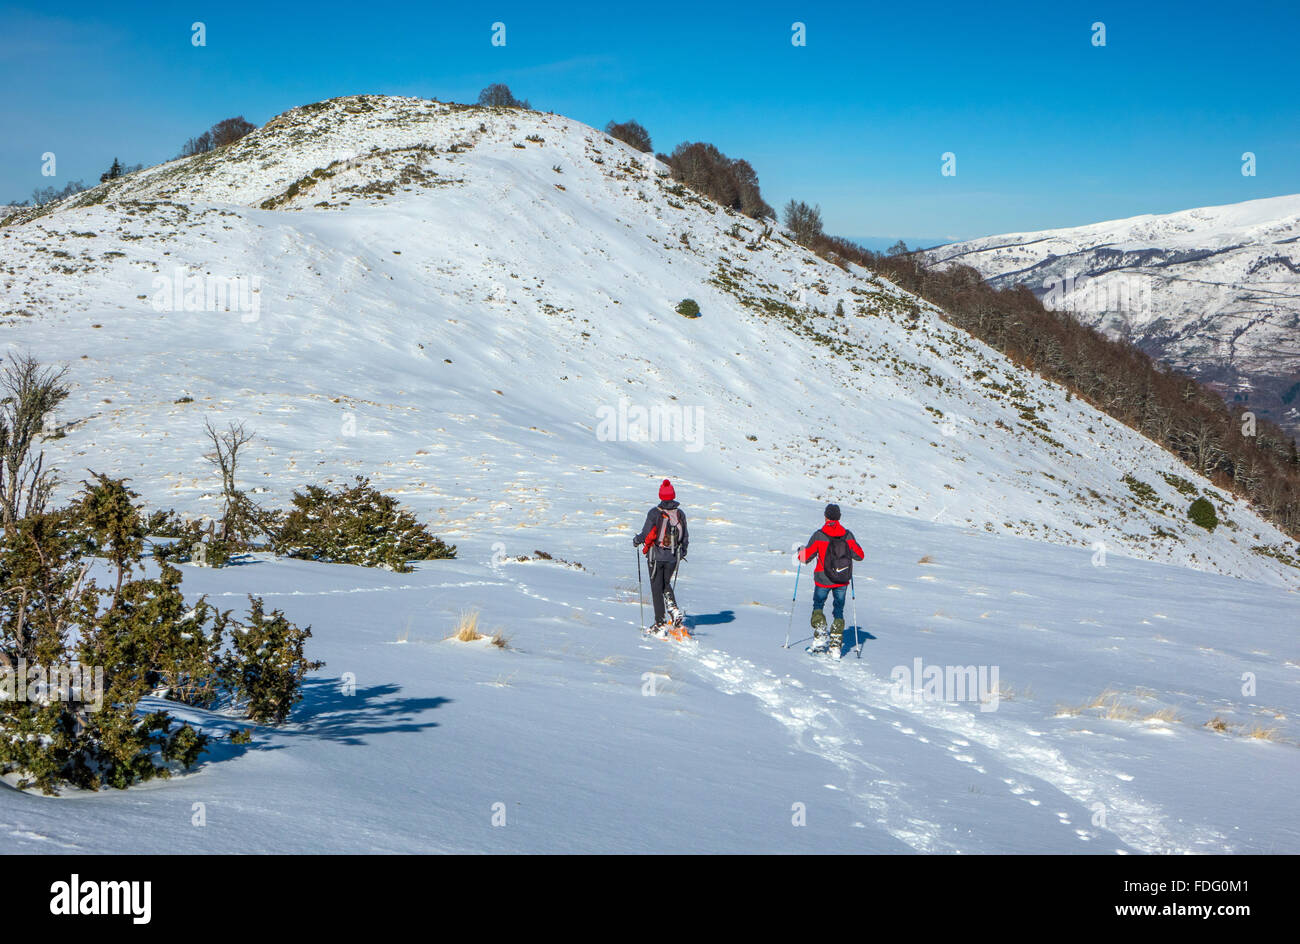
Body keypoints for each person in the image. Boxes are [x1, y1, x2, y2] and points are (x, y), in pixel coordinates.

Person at [797, 503, 864, 654]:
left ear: (826, 516)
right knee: (838, 610)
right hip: (842, 579)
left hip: (823, 578)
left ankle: (820, 637)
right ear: (839, 517)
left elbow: (805, 557)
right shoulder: (847, 535)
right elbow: (860, 555)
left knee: (818, 605)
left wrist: (800, 551)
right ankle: (835, 646)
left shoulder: (819, 535)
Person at [634, 478, 689, 637]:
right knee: (665, 584)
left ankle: (660, 623)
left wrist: (636, 540)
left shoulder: (654, 513)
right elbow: (685, 536)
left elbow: (645, 534)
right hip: (672, 557)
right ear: (673, 495)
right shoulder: (680, 514)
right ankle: (674, 611)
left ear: (660, 495)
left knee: (656, 588)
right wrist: (681, 552)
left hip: (655, 556)